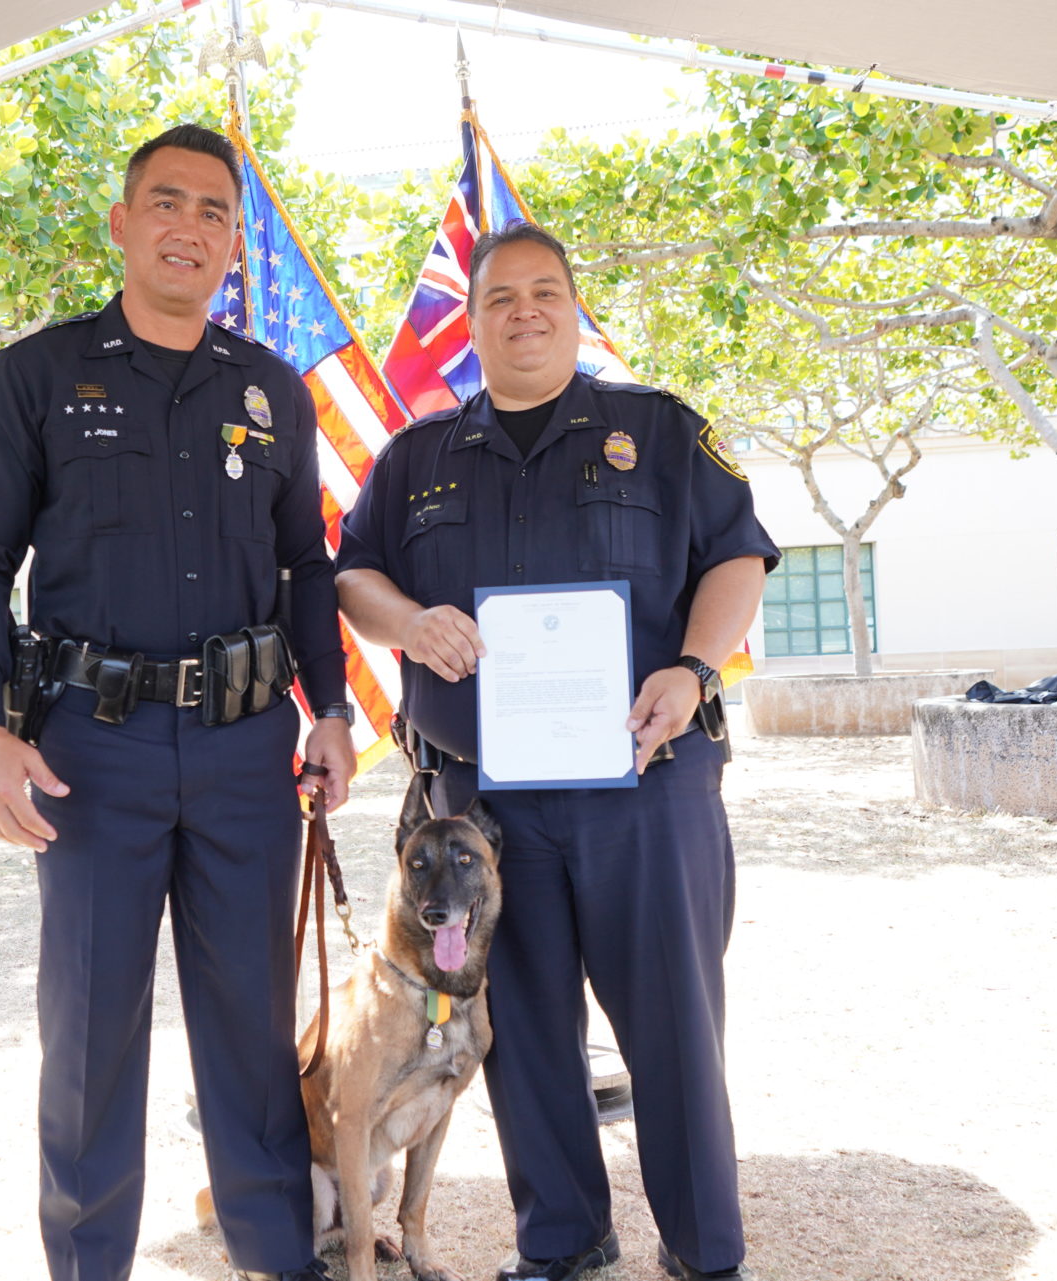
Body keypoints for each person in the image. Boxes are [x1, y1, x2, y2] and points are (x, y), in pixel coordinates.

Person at [0, 123, 357, 1281]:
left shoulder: (270, 391)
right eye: (166, 203)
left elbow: (305, 568)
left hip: (244, 754)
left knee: (252, 1028)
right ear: (122, 224)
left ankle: (280, 1254)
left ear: (234, 243)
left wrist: (331, 712)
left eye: (215, 211)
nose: (190, 226)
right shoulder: (38, 375)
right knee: (88, 1037)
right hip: (91, 755)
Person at [334, 222, 778, 1281]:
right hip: (485, 813)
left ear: (575, 309)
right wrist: (408, 623)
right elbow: (352, 574)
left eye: (547, 292)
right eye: (501, 298)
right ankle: (565, 1240)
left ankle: (705, 1251)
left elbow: (740, 557)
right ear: (471, 321)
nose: (525, 311)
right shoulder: (417, 459)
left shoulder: (658, 431)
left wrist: (695, 669)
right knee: (522, 1032)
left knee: (673, 1024)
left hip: (646, 790)